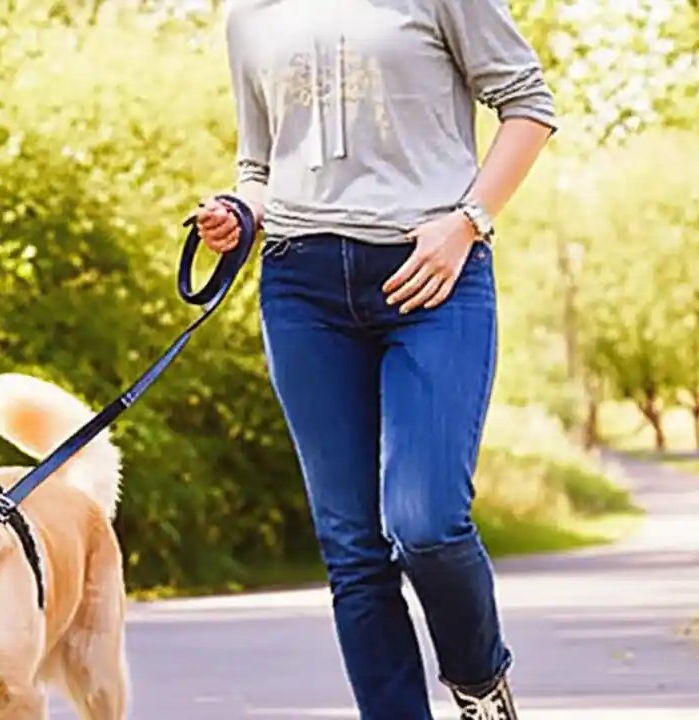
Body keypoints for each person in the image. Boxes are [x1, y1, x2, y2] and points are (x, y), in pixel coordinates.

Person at [195, 1, 557, 718]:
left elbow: (529, 105)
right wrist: (239, 211)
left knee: (426, 523)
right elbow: (259, 165)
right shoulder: (250, 14)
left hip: (434, 272)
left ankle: (480, 682)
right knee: (353, 550)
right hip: (303, 287)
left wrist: (467, 223)